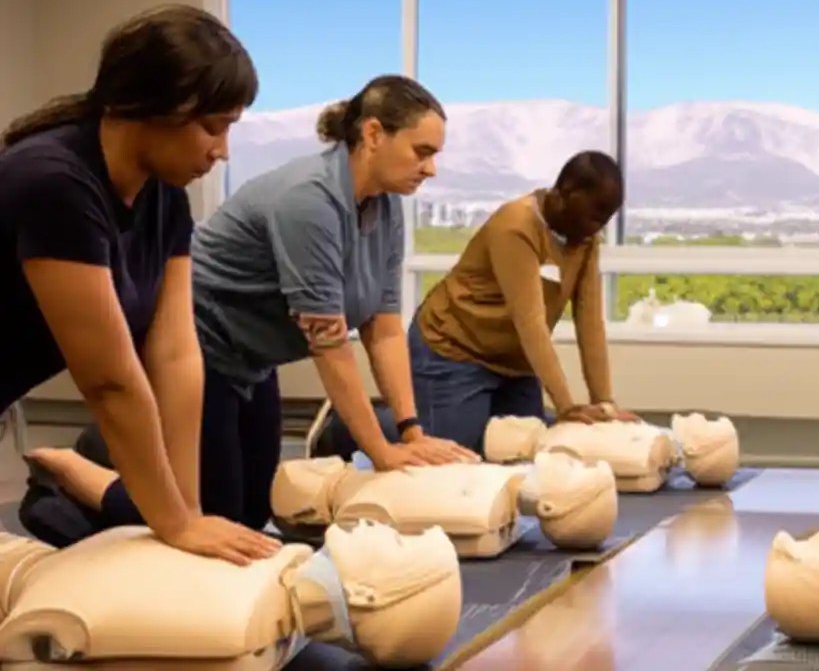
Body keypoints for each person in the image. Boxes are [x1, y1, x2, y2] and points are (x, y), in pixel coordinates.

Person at [23, 74, 478, 545]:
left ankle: (115, 474)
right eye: (422, 152)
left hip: (253, 359)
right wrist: (380, 451)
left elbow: (382, 329)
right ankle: (73, 476)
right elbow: (329, 343)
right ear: (373, 134)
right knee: (208, 512)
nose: (431, 169)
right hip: (200, 344)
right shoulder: (310, 200)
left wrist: (410, 431)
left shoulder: (385, 208)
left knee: (253, 509)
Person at [0, 4, 280, 565]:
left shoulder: (165, 199)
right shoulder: (53, 181)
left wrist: (190, 514)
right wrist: (174, 523)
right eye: (214, 127)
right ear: (156, 108)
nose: (221, 150)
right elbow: (108, 380)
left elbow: (174, 353)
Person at [325, 151, 638, 457]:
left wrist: (604, 405)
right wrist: (567, 406)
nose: (597, 228)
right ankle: (346, 427)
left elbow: (590, 322)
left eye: (605, 220)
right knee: (455, 445)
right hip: (454, 347)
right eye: (594, 216)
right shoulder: (517, 225)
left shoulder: (584, 238)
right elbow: (530, 323)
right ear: (564, 193)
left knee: (527, 445)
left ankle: (463, 412)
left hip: (512, 361)